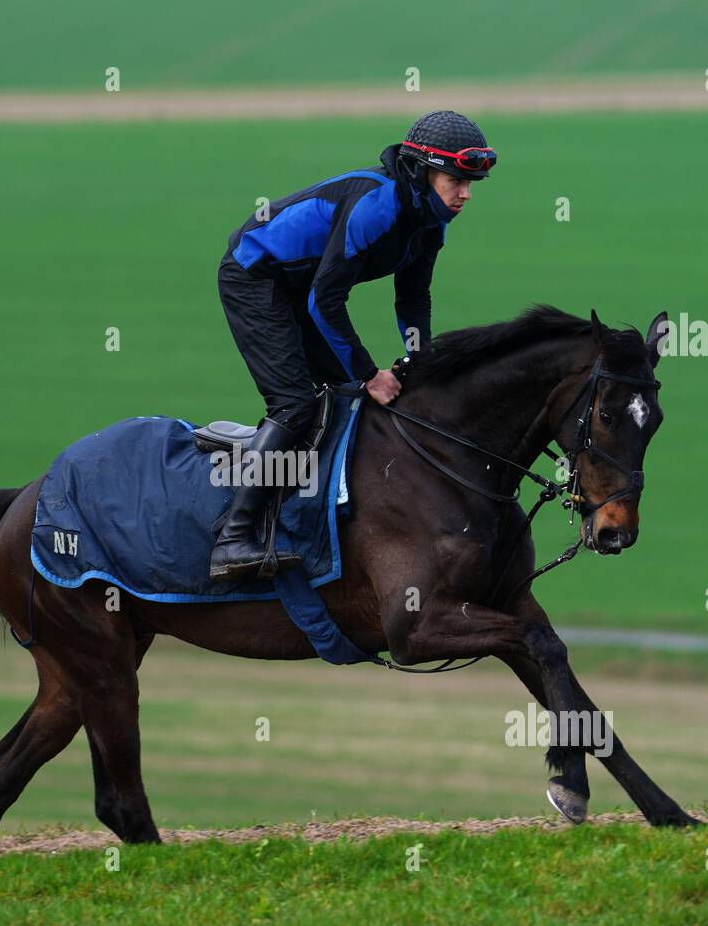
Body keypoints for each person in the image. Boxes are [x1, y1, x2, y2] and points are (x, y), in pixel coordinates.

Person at [209, 109, 497, 581]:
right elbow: (326, 300)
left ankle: (306, 514)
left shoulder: (431, 220)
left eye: (471, 183)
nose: (465, 193)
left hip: (299, 288)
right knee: (296, 404)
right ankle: (233, 538)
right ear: (421, 172)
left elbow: (413, 296)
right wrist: (369, 373)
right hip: (255, 278)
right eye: (456, 180)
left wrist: (417, 358)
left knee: (339, 395)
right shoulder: (378, 206)